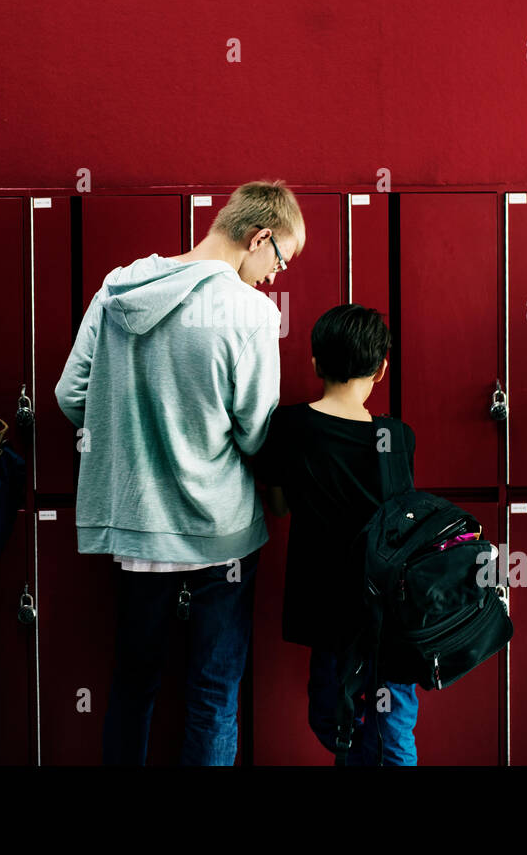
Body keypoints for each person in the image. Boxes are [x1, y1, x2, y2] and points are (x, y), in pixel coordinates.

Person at [55, 179, 305, 765]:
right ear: (258, 237)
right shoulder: (251, 313)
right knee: (213, 696)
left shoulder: (120, 286)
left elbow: (71, 395)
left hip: (139, 535)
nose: (276, 277)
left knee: (133, 687)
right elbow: (257, 434)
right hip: (221, 538)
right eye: (281, 259)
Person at [251, 304, 419, 765]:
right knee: (393, 727)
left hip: (329, 612)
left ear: (315, 365)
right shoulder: (398, 437)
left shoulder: (289, 426)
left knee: (332, 720)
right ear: (382, 368)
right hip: (390, 611)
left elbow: (280, 507)